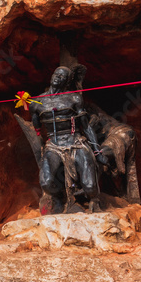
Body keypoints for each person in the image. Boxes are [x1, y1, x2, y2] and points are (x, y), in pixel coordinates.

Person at [30, 65, 106, 212]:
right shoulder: (37, 102)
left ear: (67, 81)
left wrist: (97, 151)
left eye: (62, 76)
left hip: (76, 142)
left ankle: (93, 200)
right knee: (46, 183)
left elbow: (86, 127)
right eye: (55, 74)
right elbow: (37, 127)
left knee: (90, 187)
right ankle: (60, 198)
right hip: (53, 145)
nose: (57, 77)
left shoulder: (74, 98)